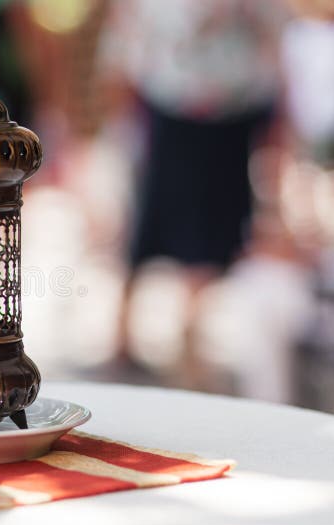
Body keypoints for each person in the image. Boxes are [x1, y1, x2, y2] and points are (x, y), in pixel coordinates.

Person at [109, 0, 288, 383]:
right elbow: (135, 33)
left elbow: (271, 32)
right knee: (154, 219)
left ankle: (189, 340)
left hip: (230, 111)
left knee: (212, 229)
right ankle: (130, 334)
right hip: (175, 105)